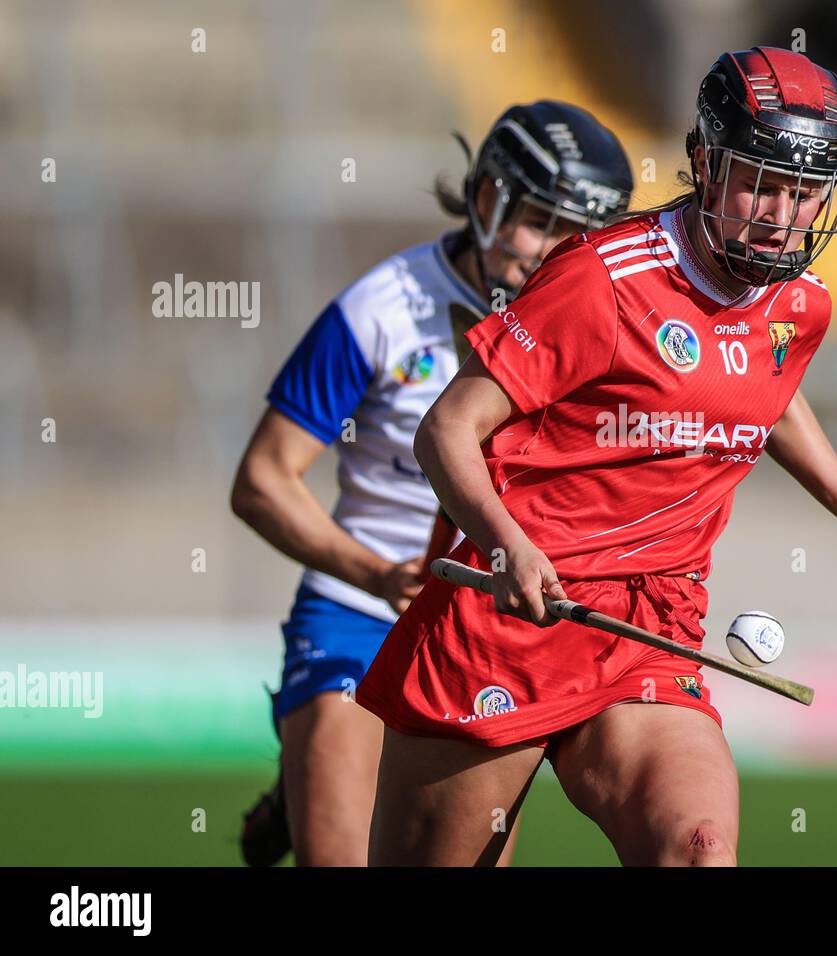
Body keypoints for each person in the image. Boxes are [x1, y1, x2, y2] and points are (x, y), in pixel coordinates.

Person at [358, 46, 837, 867]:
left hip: (652, 625)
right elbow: (445, 429)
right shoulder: (602, 280)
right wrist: (505, 546)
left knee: (697, 851)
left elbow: (764, 397)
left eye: (804, 193)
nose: (781, 213)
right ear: (703, 161)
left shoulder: (799, 305)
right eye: (759, 182)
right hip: (509, 612)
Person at [230, 101, 633, 866]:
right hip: (361, 616)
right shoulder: (381, 308)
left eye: (578, 237)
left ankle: (319, 780)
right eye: (539, 222)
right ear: (486, 200)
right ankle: (323, 758)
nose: (554, 253)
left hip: (489, 635)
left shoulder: (597, 322)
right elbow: (261, 479)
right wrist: (372, 572)